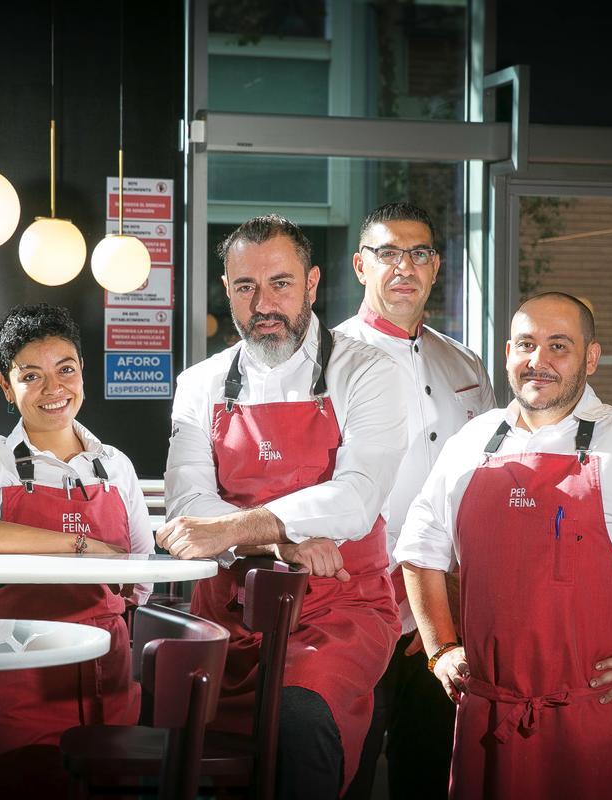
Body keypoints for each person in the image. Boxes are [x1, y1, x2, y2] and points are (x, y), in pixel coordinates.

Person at [396, 292, 612, 799]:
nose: (538, 361)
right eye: (526, 344)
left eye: (558, 346)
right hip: (486, 717)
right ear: (507, 354)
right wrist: (440, 649)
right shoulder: (471, 444)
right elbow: (419, 546)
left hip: (594, 722)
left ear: (591, 357)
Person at [161, 214, 405, 799]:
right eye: (246, 286)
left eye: (281, 283)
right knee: (200, 752)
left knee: (301, 720)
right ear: (227, 290)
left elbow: (355, 497)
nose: (263, 302)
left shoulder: (367, 373)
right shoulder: (200, 384)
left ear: (313, 284)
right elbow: (188, 504)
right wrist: (279, 542)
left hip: (336, 608)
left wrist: (235, 528)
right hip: (226, 612)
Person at [0, 303, 154, 799]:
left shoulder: (115, 465)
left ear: (82, 373)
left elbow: (141, 574)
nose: (53, 389)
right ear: (5, 386)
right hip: (15, 668)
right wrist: (80, 546)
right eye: (31, 375)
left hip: (104, 668)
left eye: (66, 370)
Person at [334, 202, 495, 800]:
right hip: (358, 601)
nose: (405, 266)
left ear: (435, 266)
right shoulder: (325, 362)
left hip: (446, 607)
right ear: (360, 265)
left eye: (420, 253)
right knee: (348, 766)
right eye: (388, 253)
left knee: (429, 767)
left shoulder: (465, 362)